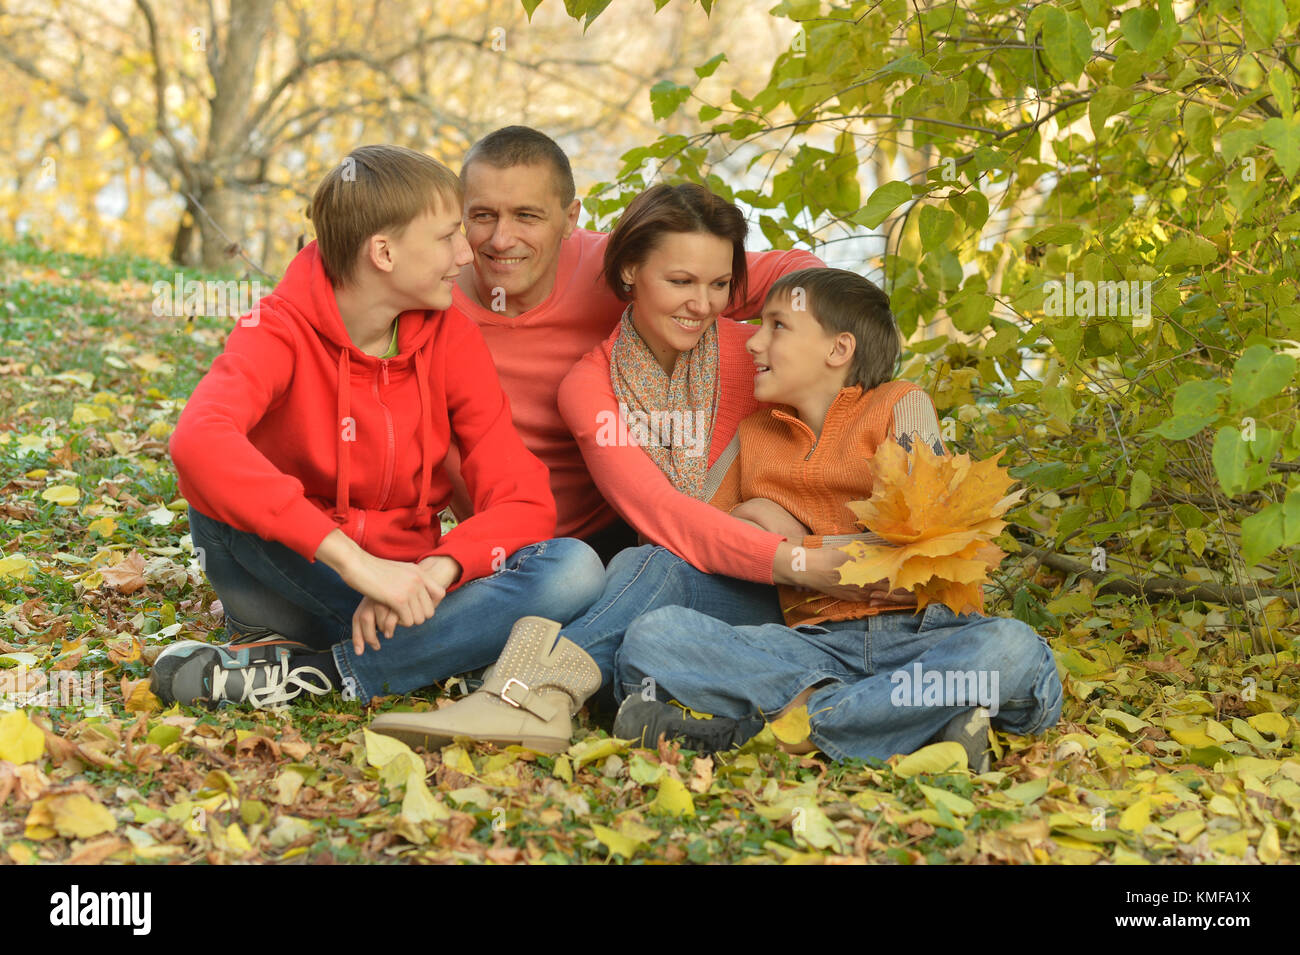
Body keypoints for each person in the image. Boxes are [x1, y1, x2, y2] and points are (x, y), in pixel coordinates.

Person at [369, 187, 900, 753]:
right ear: (629, 271)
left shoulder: (764, 357)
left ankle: (524, 694)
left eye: (718, 284)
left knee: (644, 575)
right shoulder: (588, 387)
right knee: (646, 569)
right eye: (680, 282)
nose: (702, 304)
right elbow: (659, 512)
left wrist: (815, 543)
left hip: (833, 590)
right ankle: (543, 694)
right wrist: (797, 557)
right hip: (724, 590)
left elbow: (851, 407)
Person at [150, 144, 605, 709]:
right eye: (446, 237)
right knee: (217, 492)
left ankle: (312, 672)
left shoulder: (449, 337)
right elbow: (197, 439)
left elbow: (522, 494)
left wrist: (433, 573)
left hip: (405, 595)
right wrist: (358, 565)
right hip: (295, 572)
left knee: (573, 567)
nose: (468, 253)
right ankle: (442, 652)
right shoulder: (277, 329)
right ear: (383, 252)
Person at [611, 268, 1064, 770]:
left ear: (838, 349)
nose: (754, 344)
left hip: (923, 638)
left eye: (777, 326)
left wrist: (806, 547)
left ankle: (776, 735)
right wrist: (753, 513)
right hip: (814, 651)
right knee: (654, 637)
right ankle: (915, 725)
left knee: (1010, 648)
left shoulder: (900, 404)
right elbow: (695, 534)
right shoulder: (755, 434)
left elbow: (932, 537)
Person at [444, 126, 823, 562]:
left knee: (632, 563)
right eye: (483, 215)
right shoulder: (431, 295)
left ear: (570, 218)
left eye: (527, 216)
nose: (501, 240)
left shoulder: (620, 267)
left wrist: (823, 353)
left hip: (614, 526)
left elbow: (795, 275)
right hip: (497, 542)